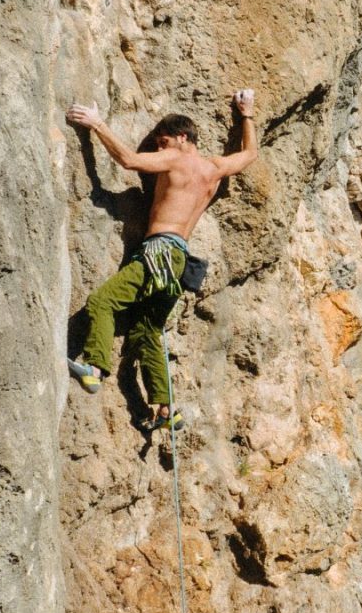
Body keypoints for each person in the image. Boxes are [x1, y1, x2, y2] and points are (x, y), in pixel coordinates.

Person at [65, 90, 257, 427]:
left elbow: (128, 160)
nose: (158, 150)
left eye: (163, 142)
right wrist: (247, 114)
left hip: (158, 252)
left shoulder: (176, 159)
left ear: (182, 138)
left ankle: (94, 368)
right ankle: (167, 409)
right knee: (147, 330)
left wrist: (97, 124)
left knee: (102, 302)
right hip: (179, 261)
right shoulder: (215, 168)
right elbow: (250, 154)